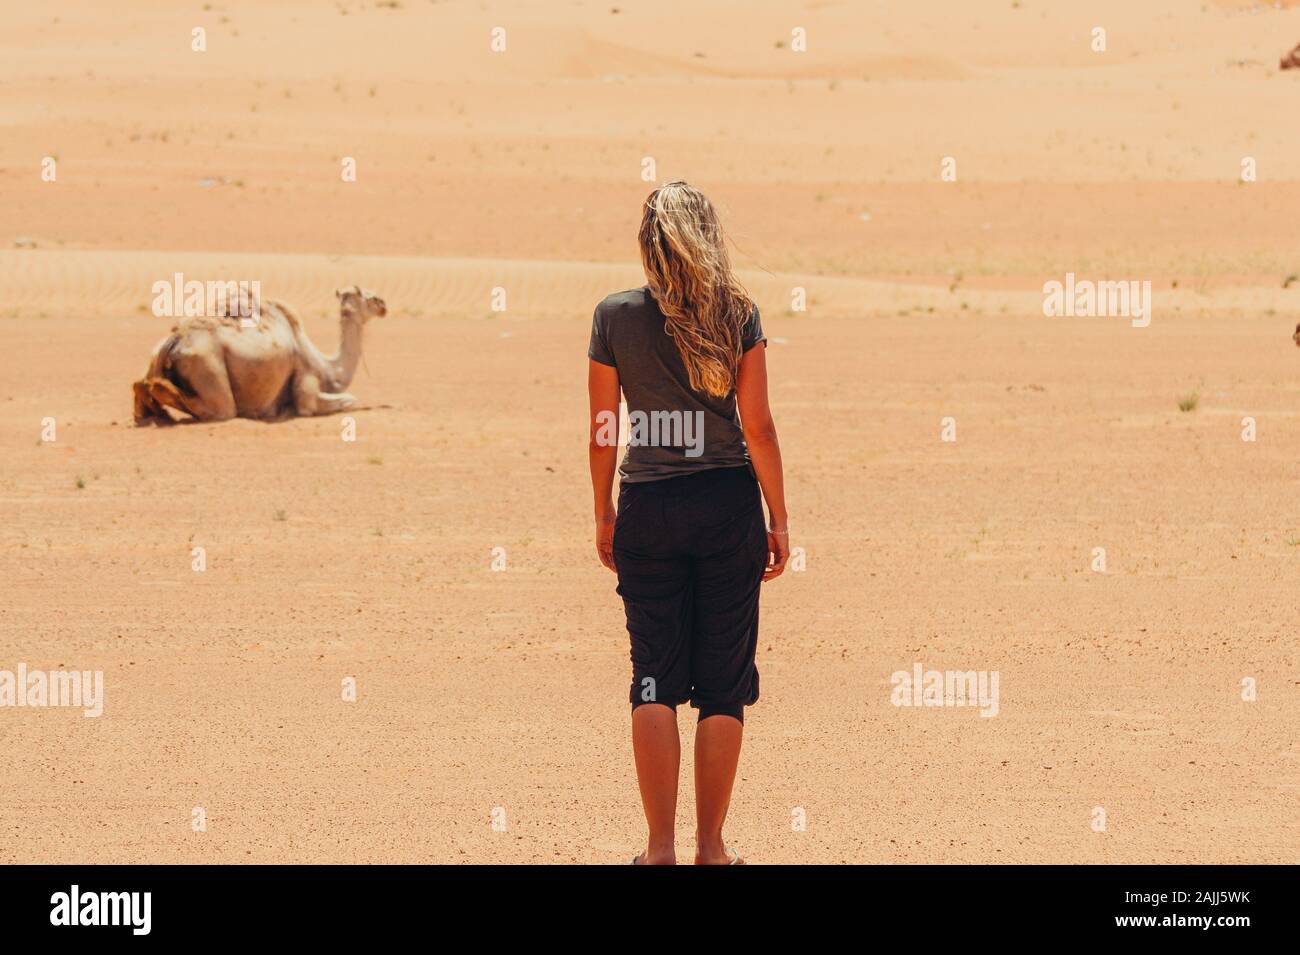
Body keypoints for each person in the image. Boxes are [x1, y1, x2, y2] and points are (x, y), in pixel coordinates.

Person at [587, 181, 790, 865]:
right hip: (728, 509)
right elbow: (757, 427)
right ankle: (711, 848)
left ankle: (658, 851)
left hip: (648, 509)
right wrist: (778, 516)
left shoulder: (614, 316)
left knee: (653, 679)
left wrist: (603, 511)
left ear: (648, 244)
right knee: (722, 686)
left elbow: (602, 430)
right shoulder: (739, 314)